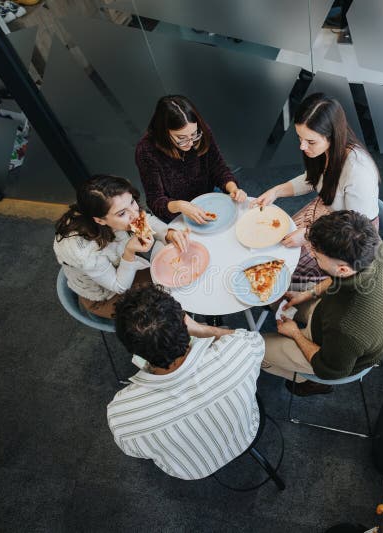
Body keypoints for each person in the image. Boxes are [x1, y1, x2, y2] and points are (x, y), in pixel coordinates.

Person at [107, 285, 265, 480]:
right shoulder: (239, 350)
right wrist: (201, 329)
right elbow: (254, 340)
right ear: (185, 322)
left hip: (192, 470)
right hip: (247, 432)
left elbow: (135, 451)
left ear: (131, 350)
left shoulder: (122, 415)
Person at [261, 211, 383, 396]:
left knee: (256, 349)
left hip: (333, 355)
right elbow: (340, 279)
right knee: (276, 290)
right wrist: (308, 293)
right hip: (332, 313)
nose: (313, 256)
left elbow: (328, 369)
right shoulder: (374, 247)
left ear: (342, 268)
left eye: (317, 257)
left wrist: (295, 333)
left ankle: (308, 381)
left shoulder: (348, 328)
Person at [252, 93, 380, 285]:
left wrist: (307, 234)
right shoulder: (325, 150)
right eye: (300, 138)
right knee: (275, 245)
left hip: (349, 235)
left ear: (332, 136)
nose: (302, 146)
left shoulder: (358, 171)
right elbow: (311, 178)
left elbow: (354, 229)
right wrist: (276, 191)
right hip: (329, 211)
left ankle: (294, 300)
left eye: (310, 141)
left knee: (282, 269)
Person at [54, 174, 191, 319]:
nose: (135, 214)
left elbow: (146, 220)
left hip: (124, 270)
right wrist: (129, 252)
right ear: (99, 220)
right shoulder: (85, 254)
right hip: (107, 296)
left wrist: (168, 233)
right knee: (168, 308)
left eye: (132, 202)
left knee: (178, 273)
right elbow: (119, 286)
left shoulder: (116, 211)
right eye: (122, 213)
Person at [135, 95, 247, 224]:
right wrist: (180, 206)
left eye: (194, 135)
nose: (190, 143)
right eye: (181, 138)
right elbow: (155, 200)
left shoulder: (202, 132)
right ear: (164, 133)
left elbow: (218, 167)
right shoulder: (146, 150)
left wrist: (232, 188)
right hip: (175, 212)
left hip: (207, 197)